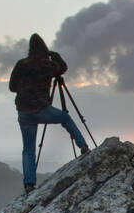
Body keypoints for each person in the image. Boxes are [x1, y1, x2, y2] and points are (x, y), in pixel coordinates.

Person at [9, 33, 88, 193]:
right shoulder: (47, 65)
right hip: (40, 108)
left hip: (23, 111)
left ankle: (29, 184)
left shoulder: (21, 64)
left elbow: (12, 87)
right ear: (44, 48)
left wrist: (25, 87)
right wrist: (54, 55)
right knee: (64, 117)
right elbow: (63, 68)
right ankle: (83, 146)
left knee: (28, 148)